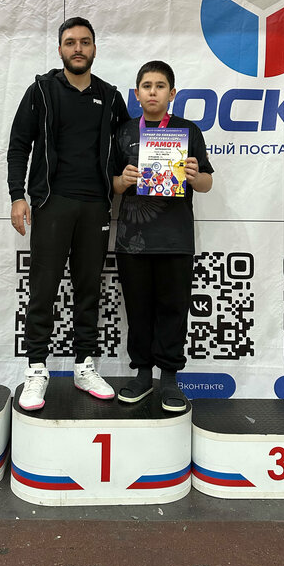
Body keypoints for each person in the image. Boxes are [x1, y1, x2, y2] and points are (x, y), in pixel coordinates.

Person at [7, 17, 129, 411]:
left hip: (96, 205)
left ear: (94, 48)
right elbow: (18, 146)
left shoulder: (110, 97)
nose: (78, 48)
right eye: (71, 42)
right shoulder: (41, 91)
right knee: (43, 289)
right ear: (60, 49)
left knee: (88, 289)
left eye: (85, 42)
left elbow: (129, 146)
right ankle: (36, 369)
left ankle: (84, 366)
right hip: (51, 203)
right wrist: (18, 196)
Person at [113, 61, 213, 411]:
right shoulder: (124, 132)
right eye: (146, 86)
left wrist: (194, 176)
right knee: (138, 310)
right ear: (137, 93)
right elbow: (110, 183)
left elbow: (206, 183)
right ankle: (143, 374)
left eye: (159, 86)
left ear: (172, 93)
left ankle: (169, 378)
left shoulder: (188, 130)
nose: (152, 91)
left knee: (173, 309)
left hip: (175, 238)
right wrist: (122, 181)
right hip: (132, 240)